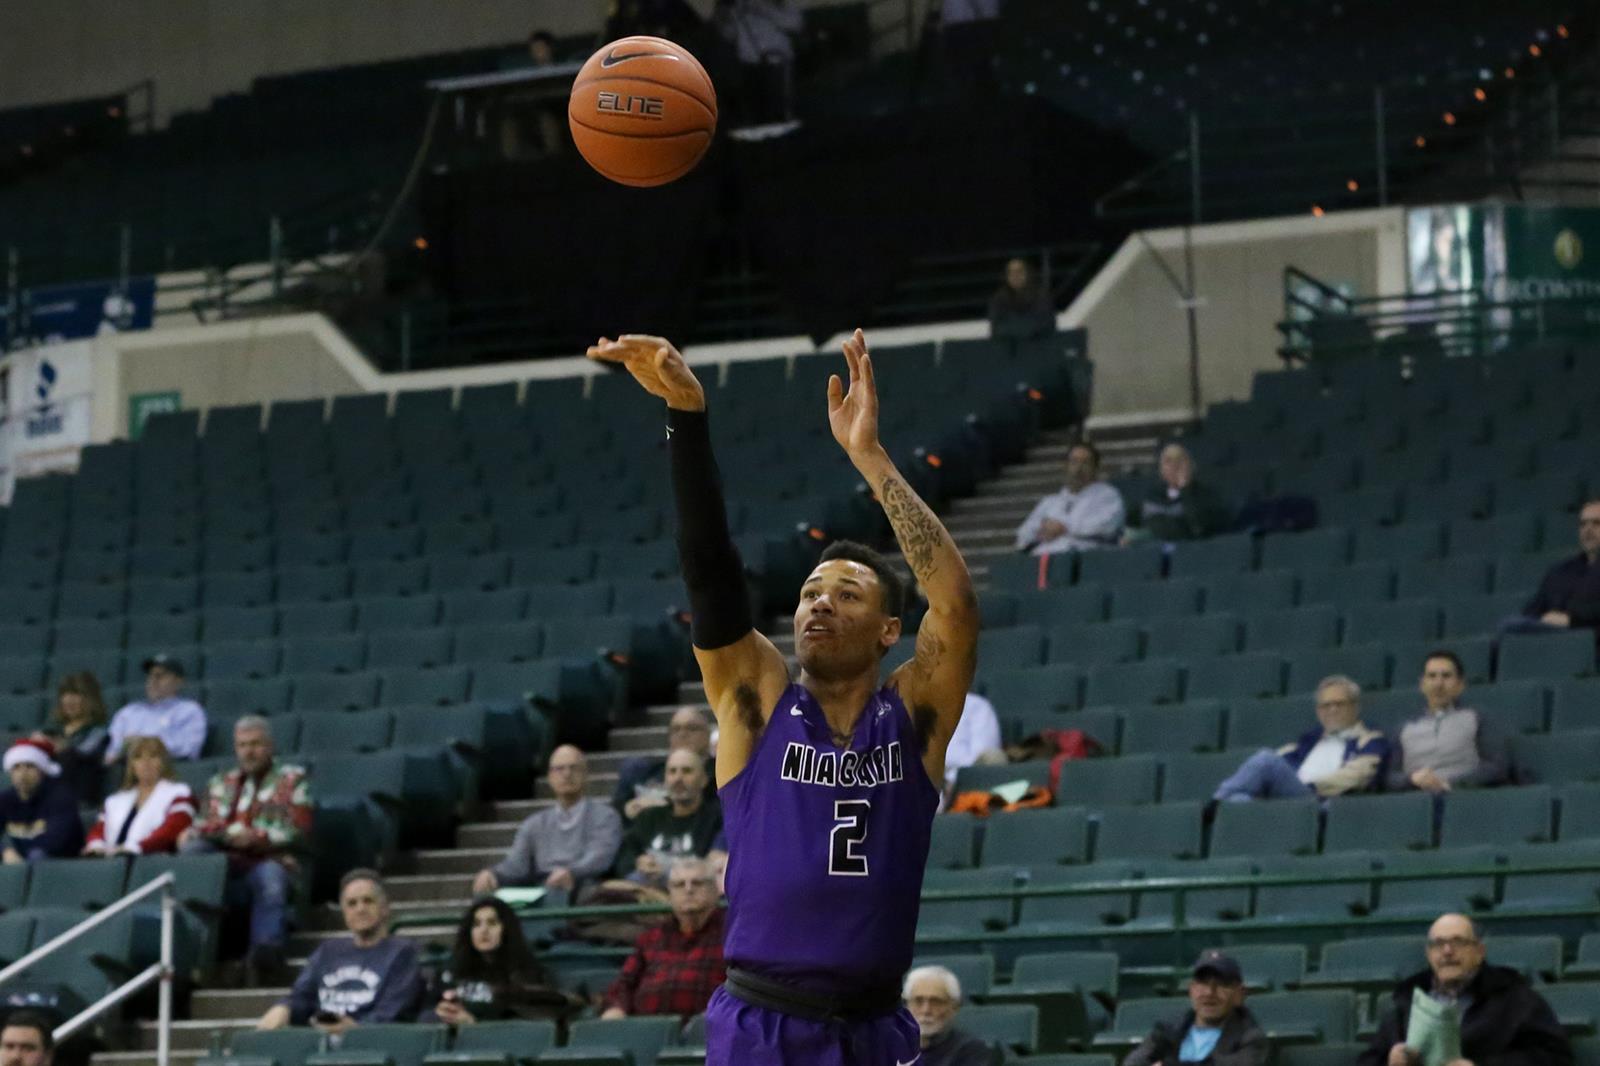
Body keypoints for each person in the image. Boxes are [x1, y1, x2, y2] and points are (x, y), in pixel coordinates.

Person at [588, 328, 979, 1065]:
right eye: (808, 593)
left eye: (846, 592)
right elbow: (710, 577)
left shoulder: (914, 716)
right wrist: (687, 418)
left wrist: (869, 456)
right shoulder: (758, 702)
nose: (819, 604)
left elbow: (955, 606)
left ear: (890, 629)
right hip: (763, 1026)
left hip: (875, 1027)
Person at [180, 716, 312, 978]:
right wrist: (226, 836)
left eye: (256, 744)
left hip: (268, 860)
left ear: (270, 746)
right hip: (225, 861)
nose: (249, 751)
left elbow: (299, 827)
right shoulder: (221, 782)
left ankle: (265, 958)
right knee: (191, 851)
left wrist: (257, 839)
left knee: (271, 877)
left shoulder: (293, 780)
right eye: (242, 745)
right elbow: (204, 824)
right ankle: (191, 952)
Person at [1358, 913, 1572, 1066]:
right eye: (1438, 944)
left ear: (1479, 952)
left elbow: (1554, 1057)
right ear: (1428, 954)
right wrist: (1389, 1061)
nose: (1447, 951)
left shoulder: (1516, 999)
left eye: (1458, 942)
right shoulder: (1405, 1003)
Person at [258, 869, 423, 1031]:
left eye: (368, 901)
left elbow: (393, 1013)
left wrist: (354, 1029)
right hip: (318, 1043)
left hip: (372, 1048)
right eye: (352, 903)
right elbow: (302, 996)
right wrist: (284, 1008)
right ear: (344, 912)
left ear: (385, 908)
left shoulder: (404, 952)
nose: (360, 909)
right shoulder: (327, 951)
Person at [472, 745, 622, 896]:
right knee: (487, 889)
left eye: (574, 768)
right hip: (541, 887)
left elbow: (598, 858)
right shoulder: (534, 823)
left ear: (585, 775)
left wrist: (571, 872)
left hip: (583, 887)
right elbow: (516, 866)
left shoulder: (606, 817)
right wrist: (493, 873)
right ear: (550, 778)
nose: (567, 774)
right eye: (560, 769)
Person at [1213, 676, 1390, 802]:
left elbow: (1357, 776)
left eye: (1339, 704)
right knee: (1238, 800)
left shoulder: (1370, 741)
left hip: (1323, 803)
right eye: (1326, 705)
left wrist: (1307, 786)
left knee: (1265, 759)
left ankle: (1215, 804)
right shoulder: (1302, 746)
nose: (1332, 710)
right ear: (1318, 712)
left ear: (1355, 707)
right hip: (1288, 801)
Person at [601, 857, 727, 1020]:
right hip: (648, 1032)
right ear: (670, 894)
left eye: (697, 883)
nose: (688, 890)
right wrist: (615, 1009)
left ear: (715, 890)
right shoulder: (651, 938)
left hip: (710, 1030)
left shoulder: (733, 934)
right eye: (679, 885)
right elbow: (623, 985)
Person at [424, 896, 575, 1025]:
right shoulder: (452, 970)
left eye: (492, 923)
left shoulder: (527, 972)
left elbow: (527, 1027)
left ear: (506, 929)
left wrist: (473, 1024)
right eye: (476, 924)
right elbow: (429, 1007)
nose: (484, 930)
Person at [1386, 652, 1508, 794]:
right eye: (1432, 676)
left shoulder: (1477, 718)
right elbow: (1390, 778)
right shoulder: (1404, 728)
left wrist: (1451, 783)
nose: (1438, 684)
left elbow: (1496, 766)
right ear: (1422, 684)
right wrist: (1412, 779)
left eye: (1446, 676)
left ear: (1460, 685)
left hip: (1463, 797)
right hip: (1415, 799)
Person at [1123, 951, 1268, 1066]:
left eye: (1222, 984)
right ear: (1191, 990)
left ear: (1239, 994)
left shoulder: (1251, 1038)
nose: (1209, 992)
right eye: (1203, 983)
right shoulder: (1167, 1030)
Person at [615, 748, 723, 889]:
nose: (678, 778)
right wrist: (639, 862)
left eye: (687, 771)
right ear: (665, 780)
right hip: (647, 891)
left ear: (703, 780)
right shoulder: (648, 817)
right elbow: (625, 859)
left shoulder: (717, 818)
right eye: (672, 772)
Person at [83, 736, 194, 856]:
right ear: (131, 766)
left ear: (163, 762)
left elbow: (172, 829)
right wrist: (96, 846)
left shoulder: (180, 793)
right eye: (138, 757)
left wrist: (136, 847)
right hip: (110, 863)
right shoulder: (114, 801)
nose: (146, 763)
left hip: (152, 862)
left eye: (153, 756)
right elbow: (98, 830)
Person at [1014, 440, 1126, 556]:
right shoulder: (1050, 502)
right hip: (1046, 561)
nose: (1079, 468)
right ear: (1065, 466)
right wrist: (1042, 528)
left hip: (1087, 559)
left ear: (1095, 468)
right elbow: (1023, 535)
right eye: (1074, 462)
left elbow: (1106, 526)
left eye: (1085, 463)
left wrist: (1064, 528)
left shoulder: (1107, 495)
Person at [612, 707, 718, 822]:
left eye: (692, 728)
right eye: (676, 729)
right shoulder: (653, 771)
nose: (682, 734)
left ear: (708, 735)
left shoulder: (718, 771)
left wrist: (665, 803)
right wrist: (627, 809)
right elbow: (618, 808)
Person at [1514, 499, 1600, 634]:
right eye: (1583, 524)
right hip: (1551, 641)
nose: (1588, 530)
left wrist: (1571, 619)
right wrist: (1545, 618)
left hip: (1591, 642)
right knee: (1510, 627)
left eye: (1596, 523)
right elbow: (1531, 611)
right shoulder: (1560, 571)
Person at [105, 654, 206, 764]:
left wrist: (146, 745)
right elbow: (111, 751)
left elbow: (189, 750)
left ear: (179, 681)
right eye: (150, 675)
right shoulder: (128, 713)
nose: (153, 680)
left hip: (168, 771)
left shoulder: (189, 711)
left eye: (160, 676)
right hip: (125, 771)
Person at [714, 0, 802, 125]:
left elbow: (796, 24)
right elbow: (729, 34)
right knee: (756, 117)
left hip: (778, 63)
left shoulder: (777, 3)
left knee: (781, 115)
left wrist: (761, 9)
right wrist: (726, 16)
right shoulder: (735, 6)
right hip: (748, 64)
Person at [1126, 443, 1232, 543]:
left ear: (1191, 466)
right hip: (1154, 552)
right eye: (1168, 461)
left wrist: (1185, 490)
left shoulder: (1206, 495)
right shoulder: (1153, 495)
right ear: (1161, 470)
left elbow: (1199, 529)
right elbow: (1137, 525)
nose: (1174, 466)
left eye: (1180, 460)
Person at [0, 738, 84, 863]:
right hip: (25, 861)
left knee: (37, 855)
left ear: (42, 770)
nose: (23, 774)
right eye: (16, 767)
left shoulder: (61, 797)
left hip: (61, 864)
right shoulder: (6, 799)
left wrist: (18, 857)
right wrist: (5, 850)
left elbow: (55, 842)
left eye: (30, 766)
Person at [36, 671, 110, 806]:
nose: (68, 700)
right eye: (65, 694)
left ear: (90, 699)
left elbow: (83, 752)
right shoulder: (53, 729)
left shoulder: (98, 731)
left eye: (75, 694)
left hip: (79, 795)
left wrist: (54, 747)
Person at [903, 965, 999, 1066]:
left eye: (936, 1002)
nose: (926, 1010)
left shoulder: (972, 1051)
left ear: (954, 1007)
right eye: (918, 1001)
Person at [943, 692, 1003, 795]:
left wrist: (950, 782)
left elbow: (982, 761)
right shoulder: (911, 710)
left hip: (962, 787)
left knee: (992, 757)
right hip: (919, 787)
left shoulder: (977, 707)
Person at [987, 258, 1054, 340]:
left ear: (1027, 273)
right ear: (1006, 276)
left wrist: (1017, 329)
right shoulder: (998, 299)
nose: (1015, 276)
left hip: (1037, 346)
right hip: (1010, 349)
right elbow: (996, 329)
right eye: (1011, 272)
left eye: (1019, 271)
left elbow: (1046, 324)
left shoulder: (1041, 296)